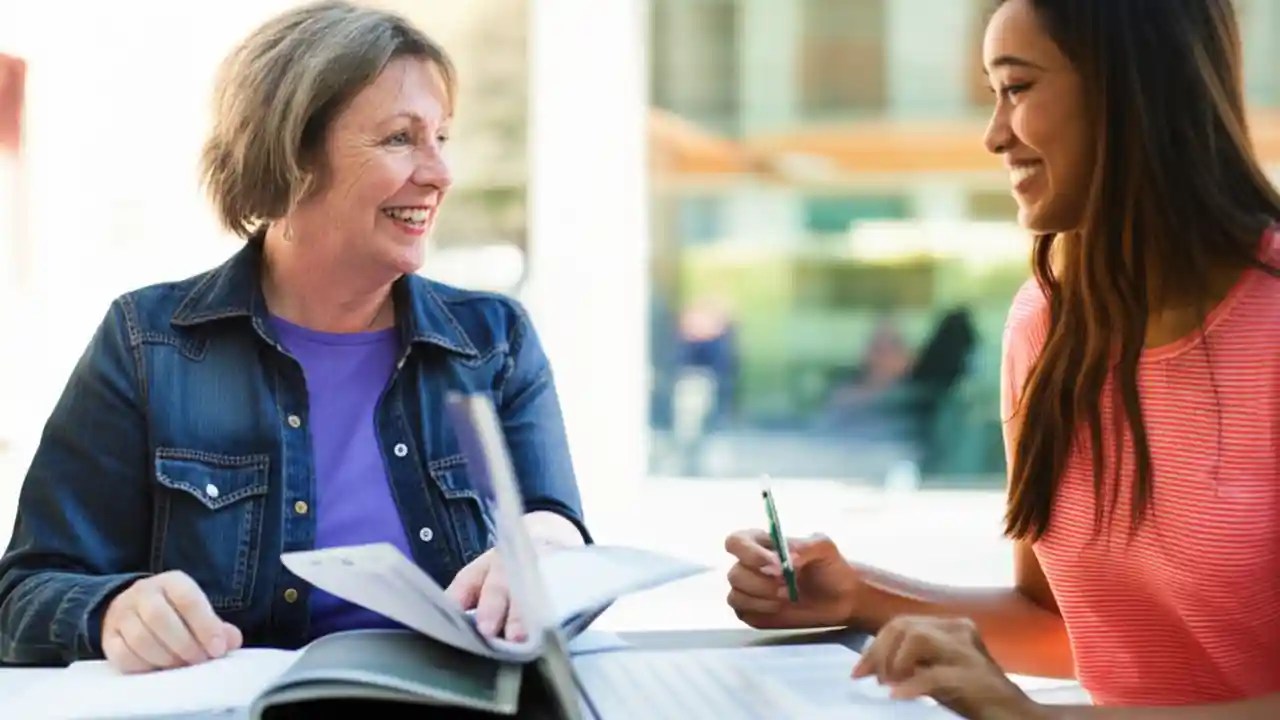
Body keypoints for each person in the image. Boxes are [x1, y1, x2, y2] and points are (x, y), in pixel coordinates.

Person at [725, 0, 1280, 717]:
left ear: (1128, 88)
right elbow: (1063, 626)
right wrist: (860, 597)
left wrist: (1031, 717)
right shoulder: (1047, 325)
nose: (994, 136)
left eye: (1016, 89)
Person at [0, 1, 589, 673]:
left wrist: (545, 551)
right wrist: (112, 613)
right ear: (293, 155)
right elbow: (25, 593)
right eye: (400, 138)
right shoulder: (147, 346)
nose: (439, 173)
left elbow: (549, 515)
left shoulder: (493, 341)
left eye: (442, 138)